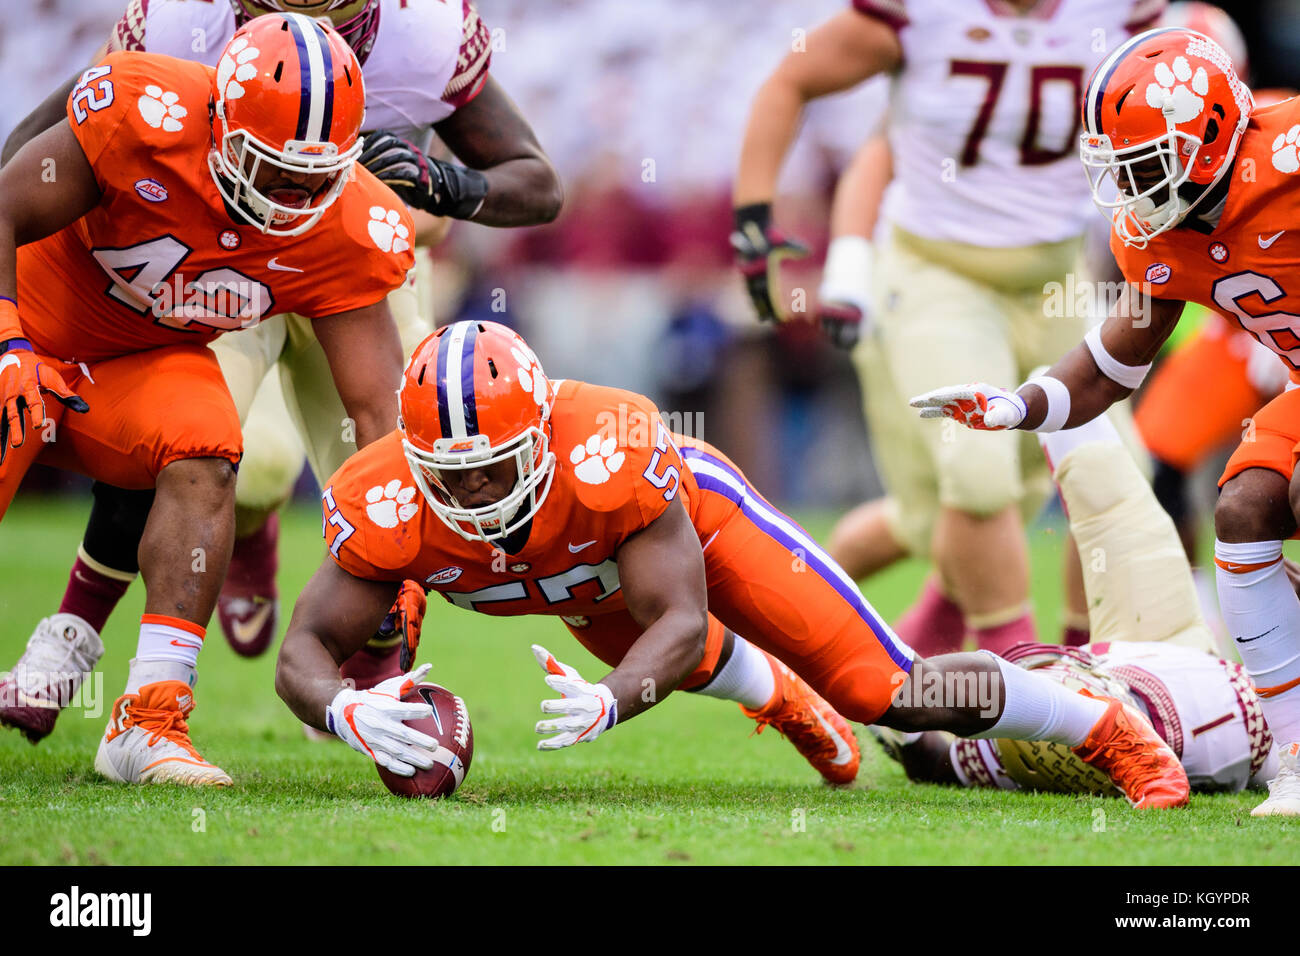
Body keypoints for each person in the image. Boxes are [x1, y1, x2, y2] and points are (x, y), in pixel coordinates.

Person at [274, 319, 1189, 808]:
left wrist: (613, 700)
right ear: (416, 463)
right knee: (670, 651)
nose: (474, 499)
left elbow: (676, 618)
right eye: (453, 478)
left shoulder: (610, 450)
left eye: (494, 470)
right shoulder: (382, 496)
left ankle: (1108, 730)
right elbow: (302, 650)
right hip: (573, 577)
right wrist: (344, 704)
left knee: (887, 689)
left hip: (684, 530)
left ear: (546, 433)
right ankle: (781, 698)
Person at [0, 0, 564, 745]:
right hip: (197, 262)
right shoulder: (164, 54)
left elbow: (539, 186)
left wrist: (446, 186)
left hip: (340, 262)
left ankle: (366, 673)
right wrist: (11, 334)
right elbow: (26, 163)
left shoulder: (396, 112)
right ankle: (80, 632)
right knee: (234, 459)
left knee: (387, 476)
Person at [0, 13, 416, 784]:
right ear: (219, 125)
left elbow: (377, 415)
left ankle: (147, 721)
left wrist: (407, 552)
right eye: (272, 168)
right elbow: (5, 204)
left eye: (313, 176)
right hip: (29, 333)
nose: (293, 194)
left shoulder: (352, 223)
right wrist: (4, 338)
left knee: (208, 445)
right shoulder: (143, 110)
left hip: (133, 365)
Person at [910, 27, 1300, 816]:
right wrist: (1016, 405)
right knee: (1244, 508)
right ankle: (1295, 758)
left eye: (1149, 164)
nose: (1132, 189)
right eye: (1122, 167)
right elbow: (1107, 369)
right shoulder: (1159, 230)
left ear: (1214, 134)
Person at [731, 0, 1162, 660]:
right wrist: (755, 212)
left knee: (1114, 469)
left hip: (1054, 278)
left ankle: (1093, 662)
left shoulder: (1115, 14)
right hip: (937, 273)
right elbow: (797, 80)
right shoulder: (925, 13)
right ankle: (1015, 673)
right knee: (975, 478)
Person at [877, 413, 1275, 795]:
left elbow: (945, 748)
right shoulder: (1267, 730)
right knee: (1092, 459)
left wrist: (885, 697)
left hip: (1147, 692)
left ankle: (880, 684)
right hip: (1182, 676)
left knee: (1081, 446)